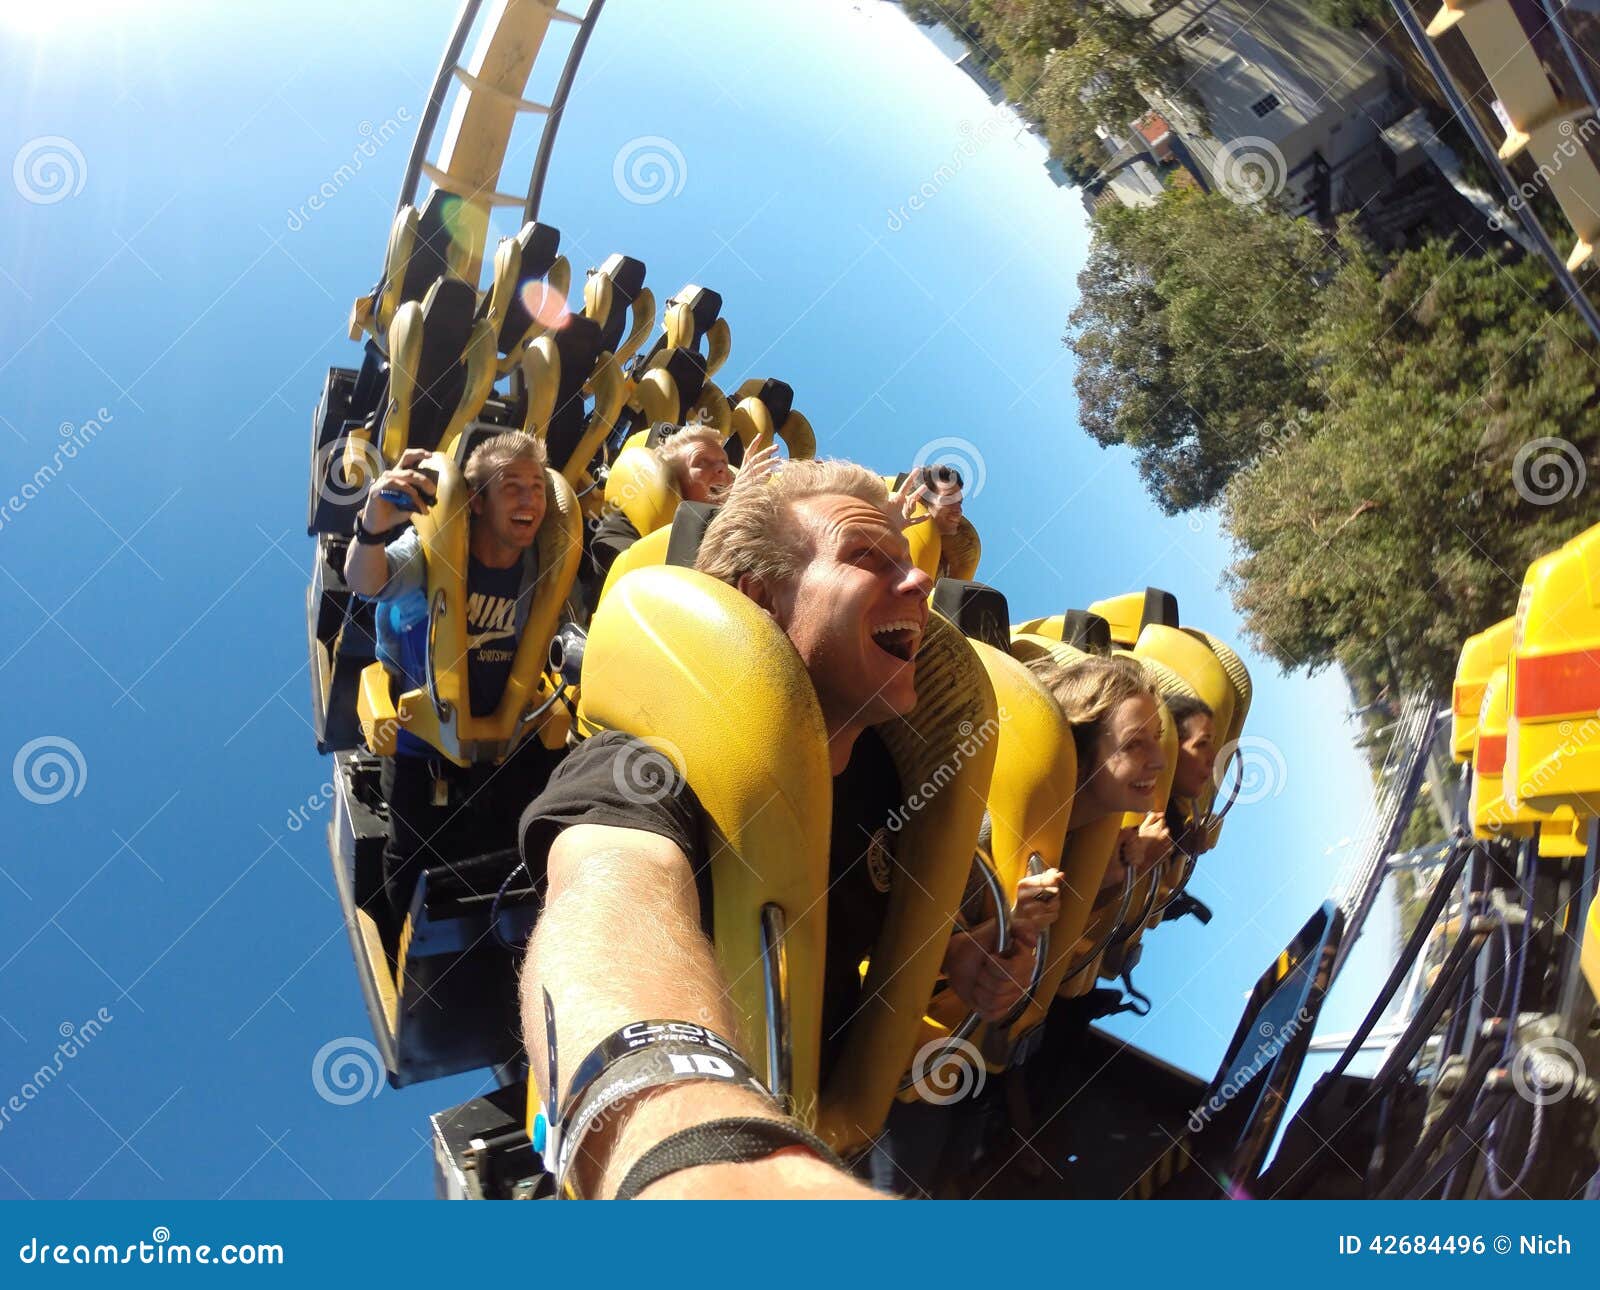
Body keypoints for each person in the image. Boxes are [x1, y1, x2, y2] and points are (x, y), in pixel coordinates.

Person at [518, 458, 1035, 1195]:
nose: (919, 580)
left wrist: (959, 960)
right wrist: (686, 1137)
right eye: (867, 558)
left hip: (830, 1134)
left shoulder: (895, 787)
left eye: (908, 558)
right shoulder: (650, 765)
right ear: (760, 600)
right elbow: (605, 908)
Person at [344, 431, 565, 944]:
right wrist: (371, 526)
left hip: (502, 735)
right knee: (408, 855)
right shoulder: (436, 548)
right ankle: (406, 953)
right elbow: (367, 579)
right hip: (423, 738)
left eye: (536, 486)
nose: (528, 498)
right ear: (479, 501)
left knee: (530, 838)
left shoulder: (544, 565)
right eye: (511, 486)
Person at [585, 424, 736, 608]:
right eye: (702, 462)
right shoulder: (618, 532)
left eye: (724, 463)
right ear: (672, 481)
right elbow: (642, 590)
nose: (722, 469)